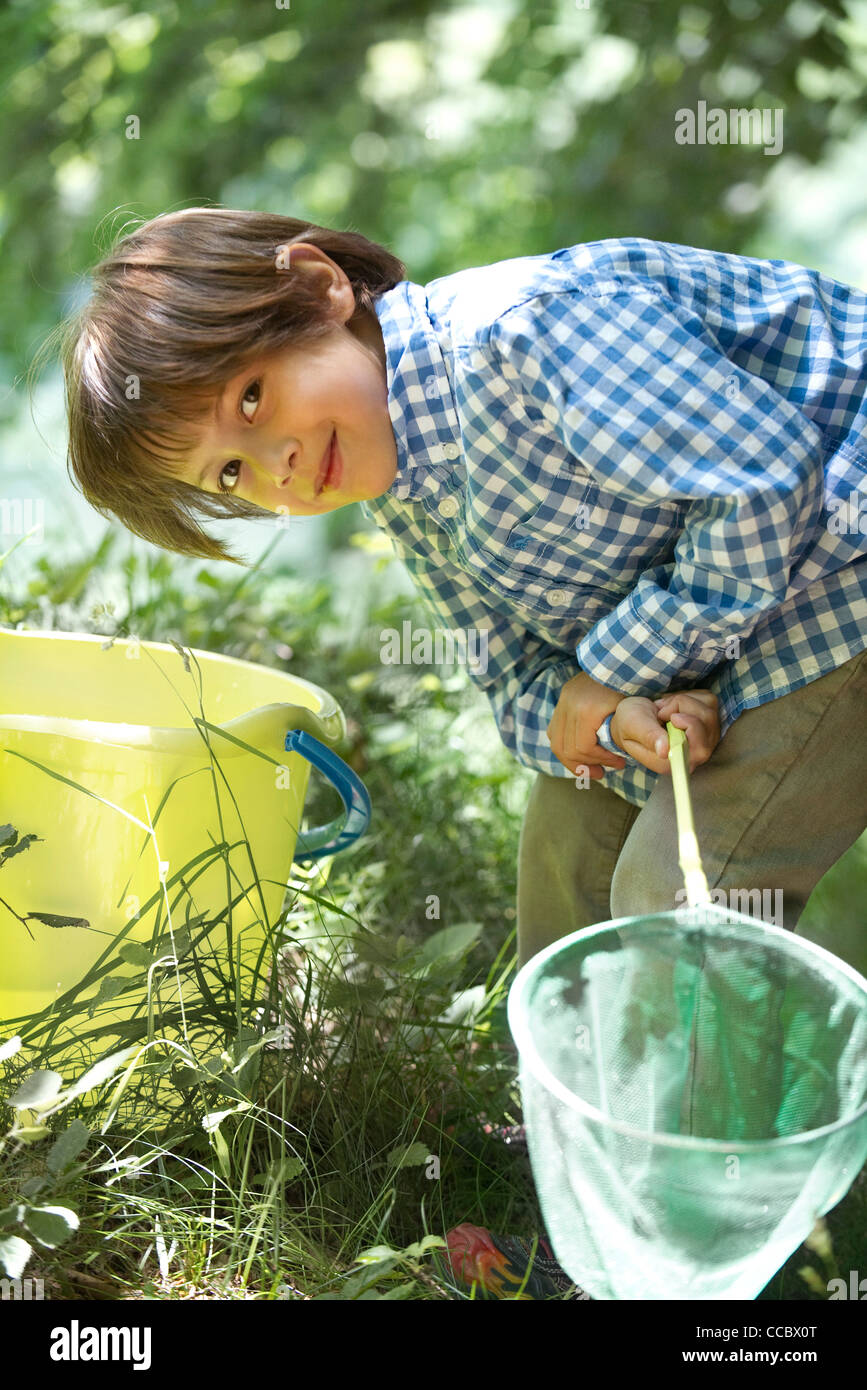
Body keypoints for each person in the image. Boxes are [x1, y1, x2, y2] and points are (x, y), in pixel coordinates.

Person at [56, 207, 867, 1298]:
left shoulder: (527, 334)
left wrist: (621, 664)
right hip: (731, 627)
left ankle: (707, 1251)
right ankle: (598, 1208)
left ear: (318, 286)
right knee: (564, 853)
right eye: (237, 478)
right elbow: (519, 685)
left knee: (692, 891)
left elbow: (766, 480)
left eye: (252, 401)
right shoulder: (407, 484)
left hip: (838, 575)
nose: (284, 467)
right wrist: (598, 715)